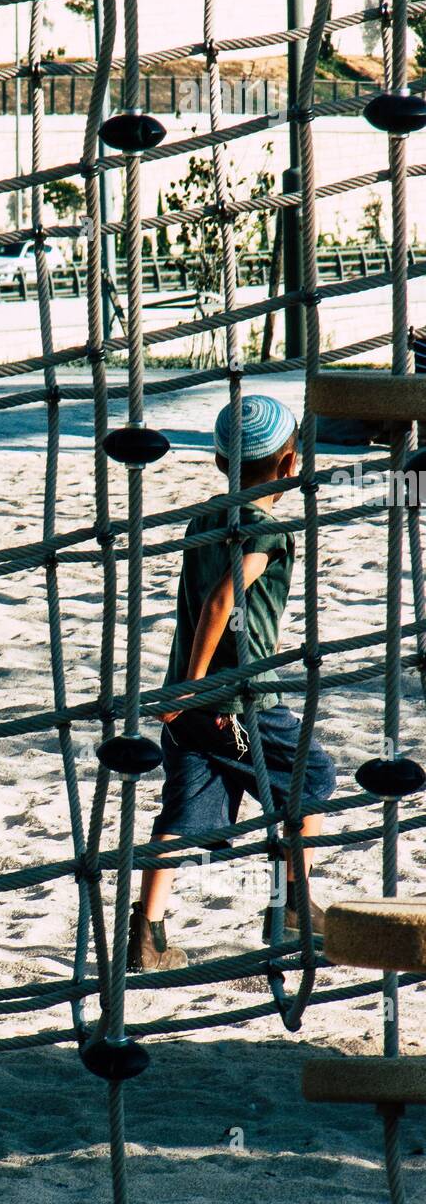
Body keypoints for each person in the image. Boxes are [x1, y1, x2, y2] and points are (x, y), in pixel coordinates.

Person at [129, 395, 337, 972]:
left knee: (185, 811)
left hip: (189, 707)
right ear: (292, 464)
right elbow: (223, 597)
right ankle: (292, 906)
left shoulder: (203, 519)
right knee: (312, 775)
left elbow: (200, 599)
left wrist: (182, 693)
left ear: (222, 464)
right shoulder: (267, 530)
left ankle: (147, 933)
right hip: (243, 698)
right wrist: (195, 686)